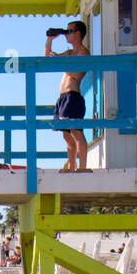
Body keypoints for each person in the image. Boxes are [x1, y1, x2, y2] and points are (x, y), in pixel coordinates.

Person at [45, 20, 90, 172]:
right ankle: (71, 165)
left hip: (72, 96)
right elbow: (47, 60)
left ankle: (82, 167)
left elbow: (76, 74)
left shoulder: (83, 52)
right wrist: (50, 40)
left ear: (78, 34)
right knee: (66, 134)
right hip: (62, 97)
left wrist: (60, 62)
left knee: (76, 131)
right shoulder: (69, 53)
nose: (66, 34)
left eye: (69, 31)